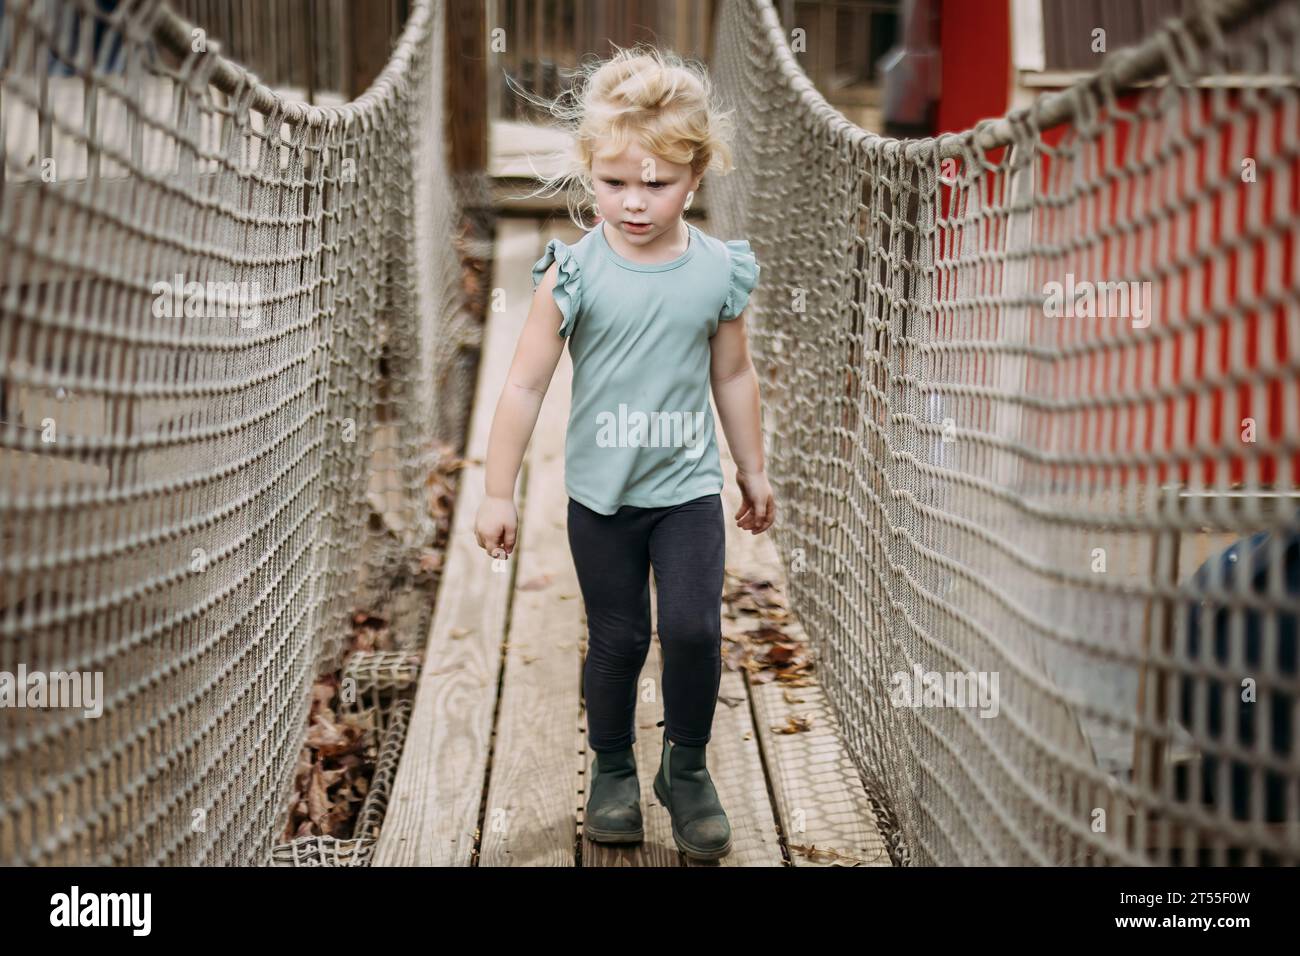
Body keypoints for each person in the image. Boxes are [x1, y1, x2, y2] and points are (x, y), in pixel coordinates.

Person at [473, 44, 775, 861]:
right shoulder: (574, 273)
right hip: (602, 498)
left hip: (685, 492)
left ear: (697, 176)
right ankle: (610, 767)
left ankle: (685, 766)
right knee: (618, 638)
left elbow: (735, 375)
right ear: (588, 173)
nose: (634, 203)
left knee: (692, 630)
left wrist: (751, 470)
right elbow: (525, 387)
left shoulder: (717, 271)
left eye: (658, 183)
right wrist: (498, 492)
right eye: (614, 184)